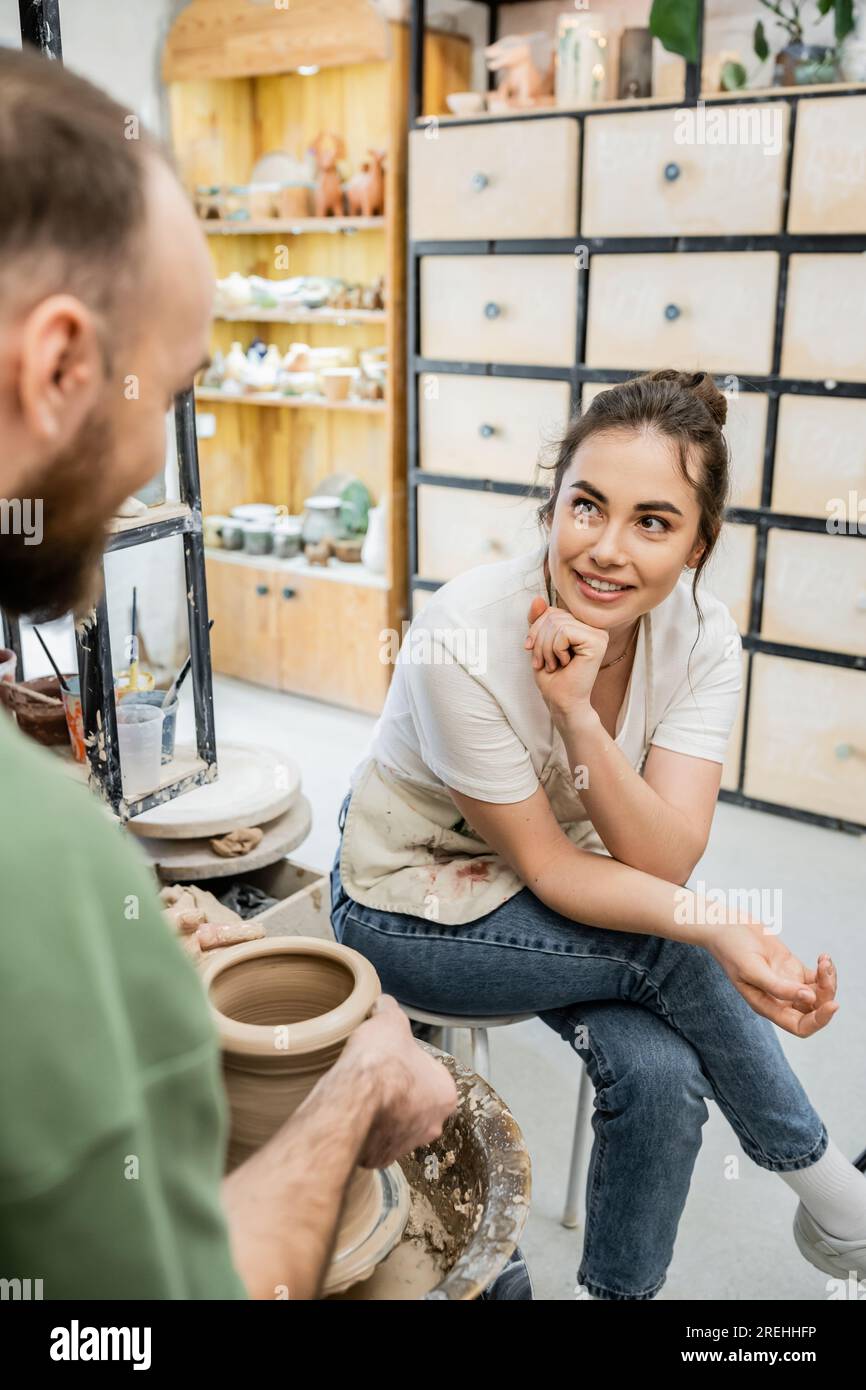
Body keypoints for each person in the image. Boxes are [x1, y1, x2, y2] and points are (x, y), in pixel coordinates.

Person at [0, 44, 456, 1301]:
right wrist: (357, 1090)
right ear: (57, 368)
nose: (156, 460)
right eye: (173, 390)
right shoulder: (34, 859)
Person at [331, 368, 866, 1300]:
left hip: (558, 895)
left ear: (700, 545)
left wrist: (578, 714)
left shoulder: (703, 638)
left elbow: (659, 857)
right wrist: (718, 926)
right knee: (679, 952)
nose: (607, 551)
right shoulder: (463, 631)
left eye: (654, 522)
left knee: (660, 1071)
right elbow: (549, 863)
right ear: (553, 504)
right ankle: (841, 1208)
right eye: (587, 507)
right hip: (407, 900)